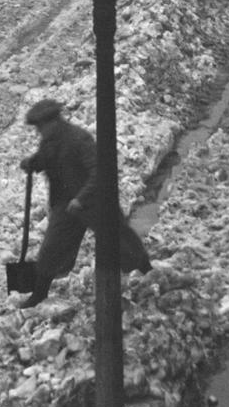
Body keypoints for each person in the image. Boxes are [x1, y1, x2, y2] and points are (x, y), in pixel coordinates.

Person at [17, 99, 152, 308]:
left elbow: (99, 171)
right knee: (51, 250)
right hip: (66, 204)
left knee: (122, 243)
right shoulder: (50, 140)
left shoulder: (79, 139)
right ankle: (39, 294)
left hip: (97, 202)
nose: (39, 132)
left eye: (41, 127)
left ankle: (150, 275)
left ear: (54, 121)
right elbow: (46, 157)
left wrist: (81, 198)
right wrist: (33, 162)